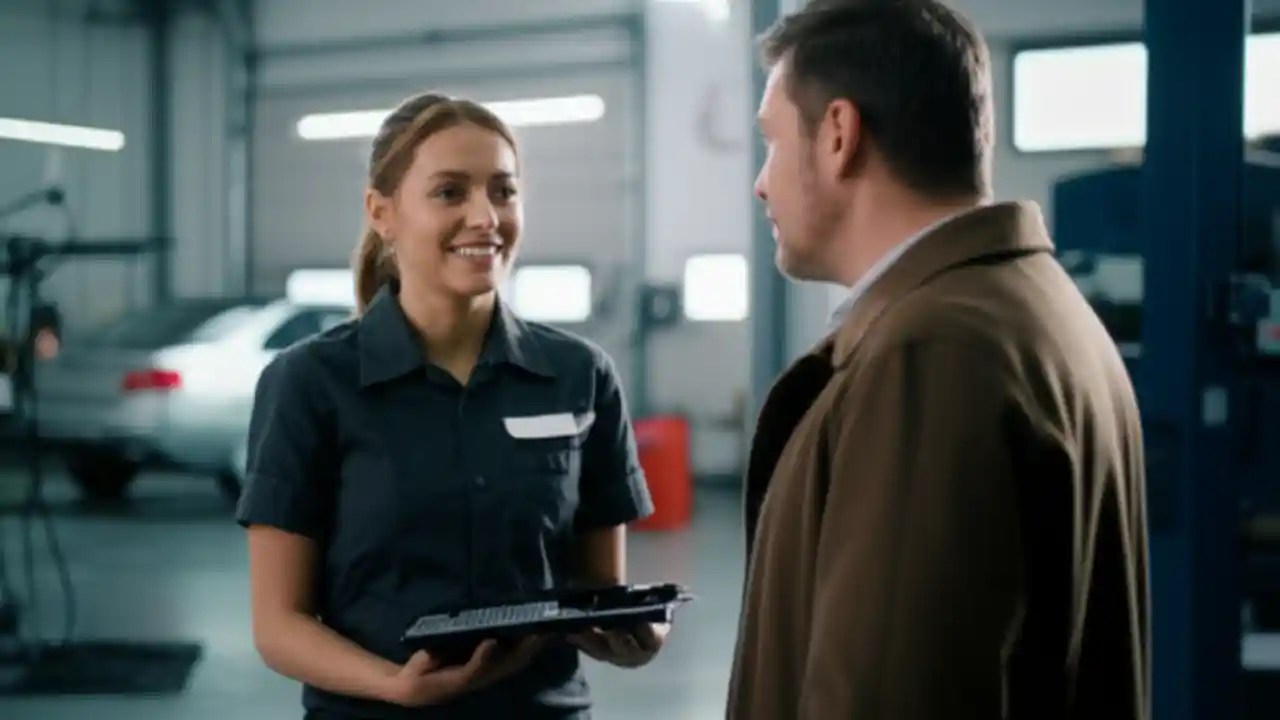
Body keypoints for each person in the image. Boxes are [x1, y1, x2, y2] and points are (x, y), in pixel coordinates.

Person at [729, 2, 1150, 719]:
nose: (760, 183)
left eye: (770, 142)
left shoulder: (929, 355)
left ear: (838, 134)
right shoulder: (1032, 307)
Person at [236, 92, 666, 720]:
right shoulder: (309, 383)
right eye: (449, 192)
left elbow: (598, 587)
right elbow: (278, 624)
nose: (485, 216)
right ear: (382, 213)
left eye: (503, 190)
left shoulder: (579, 376)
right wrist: (393, 687)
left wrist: (636, 636)